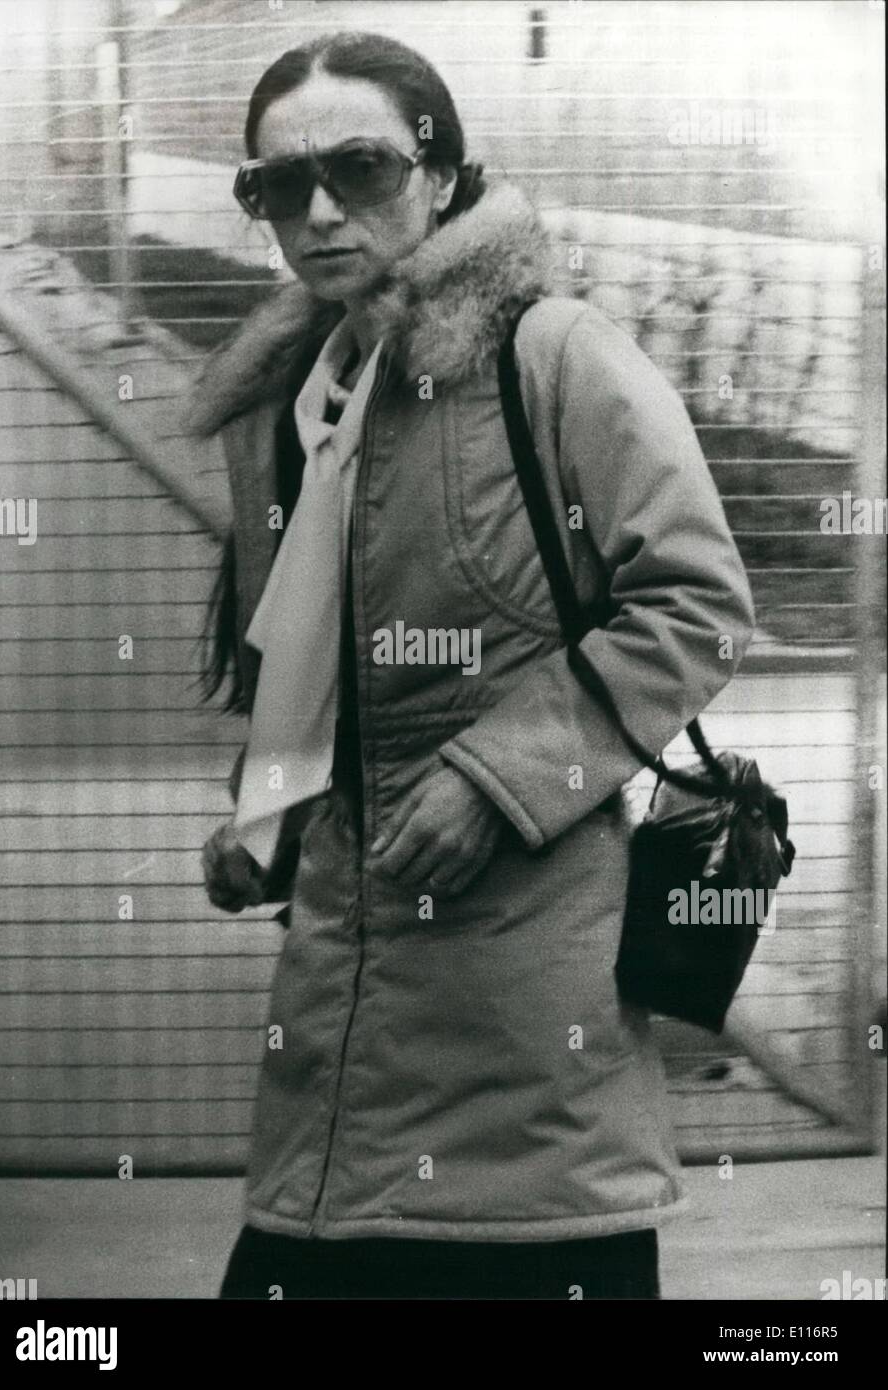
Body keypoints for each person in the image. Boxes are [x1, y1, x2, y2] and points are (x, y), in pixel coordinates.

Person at [188, 30, 755, 1300]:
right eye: (282, 185)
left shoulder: (549, 353)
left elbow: (701, 601)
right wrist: (265, 812)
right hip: (331, 1018)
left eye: (363, 168)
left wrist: (499, 773)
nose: (321, 210)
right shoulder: (302, 396)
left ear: (443, 176)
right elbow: (316, 656)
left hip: (522, 1028)